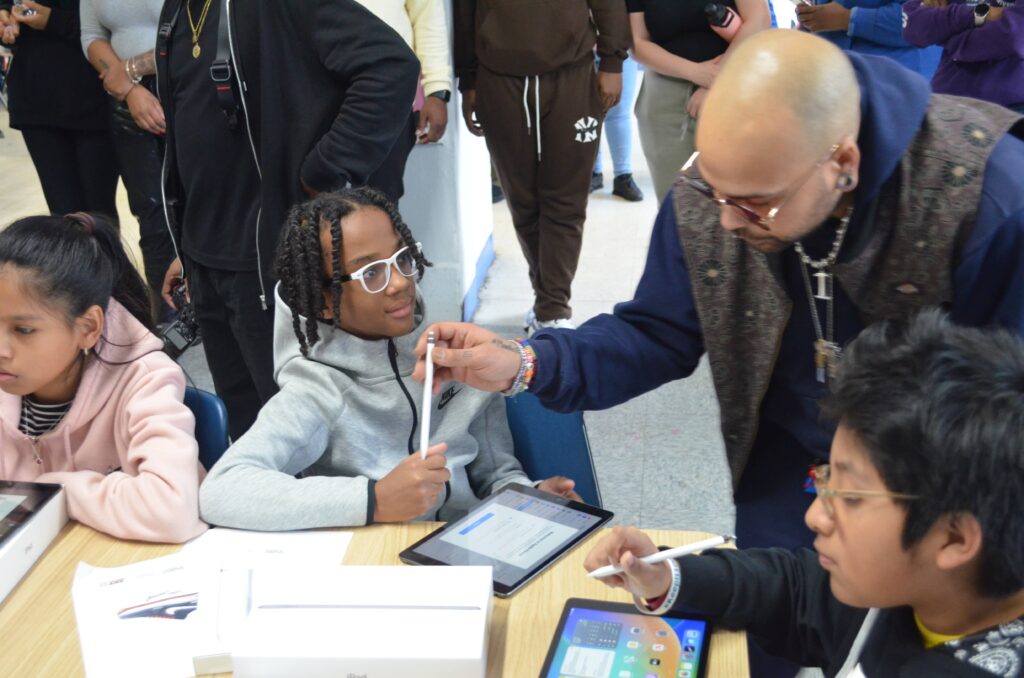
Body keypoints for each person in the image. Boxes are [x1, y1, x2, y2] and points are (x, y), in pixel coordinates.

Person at [416, 29, 1024, 676]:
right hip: (785, 465)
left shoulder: (986, 199)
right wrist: (527, 362)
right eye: (716, 191)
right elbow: (655, 331)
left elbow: (1005, 422)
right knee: (777, 631)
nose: (729, 223)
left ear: (840, 162)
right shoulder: (717, 193)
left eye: (756, 205)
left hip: (950, 502)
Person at [583, 311, 1024, 677]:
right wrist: (664, 577)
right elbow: (797, 590)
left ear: (953, 539)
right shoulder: (914, 587)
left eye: (849, 496)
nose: (815, 515)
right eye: (826, 478)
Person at [199, 189, 579, 530]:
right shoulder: (318, 389)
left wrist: (529, 496)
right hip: (374, 566)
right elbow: (223, 488)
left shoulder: (455, 357)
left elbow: (494, 473)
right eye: (371, 272)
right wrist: (374, 499)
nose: (399, 282)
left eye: (402, 258)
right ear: (325, 303)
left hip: (466, 552)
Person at [155, 0, 420, 441]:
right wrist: (186, 246)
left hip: (272, 263)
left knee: (300, 436)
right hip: (207, 259)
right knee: (247, 433)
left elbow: (391, 66)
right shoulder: (178, 11)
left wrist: (325, 171)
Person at [0, 213, 205, 544]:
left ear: (88, 328)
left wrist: (50, 491)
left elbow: (171, 511)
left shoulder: (144, 378)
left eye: (23, 330)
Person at [454, 0, 631, 334]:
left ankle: (553, 308)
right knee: (523, 201)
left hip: (572, 73)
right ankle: (546, 299)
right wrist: (468, 79)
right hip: (499, 77)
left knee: (566, 200)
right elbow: (464, 10)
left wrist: (612, 61)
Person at [80, 0, 176, 323]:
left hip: (189, 86)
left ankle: (218, 309)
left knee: (206, 203)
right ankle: (170, 320)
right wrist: (130, 89)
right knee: (151, 214)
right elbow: (92, 35)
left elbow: (196, 32)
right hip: (125, 100)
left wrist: (134, 68)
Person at [628, 0, 770, 202]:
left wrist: (715, 78)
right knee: (676, 204)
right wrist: (696, 73)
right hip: (666, 97)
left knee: (740, 203)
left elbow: (759, 19)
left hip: (734, 86)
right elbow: (638, 43)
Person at [0, 0, 119, 217]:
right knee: (63, 213)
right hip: (35, 96)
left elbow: (115, 24)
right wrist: (6, 19)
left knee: (98, 213)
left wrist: (53, 20)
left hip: (94, 95)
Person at [354, 0, 453, 202]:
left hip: (390, 93)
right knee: (313, 199)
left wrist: (437, 91)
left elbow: (428, 17)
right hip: (317, 89)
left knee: (381, 199)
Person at [902, 0, 1024, 114]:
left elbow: (1012, 37)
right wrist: (977, 14)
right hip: (949, 98)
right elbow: (915, 26)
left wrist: (951, 41)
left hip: (1012, 107)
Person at [796, 0, 941, 79]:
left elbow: (923, 20)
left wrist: (846, 18)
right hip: (832, 67)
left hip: (892, 78)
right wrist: (812, 16)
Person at [591, 54, 644, 202]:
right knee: (588, 113)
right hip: (581, 50)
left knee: (619, 112)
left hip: (619, 52)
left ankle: (623, 176)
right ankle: (593, 172)